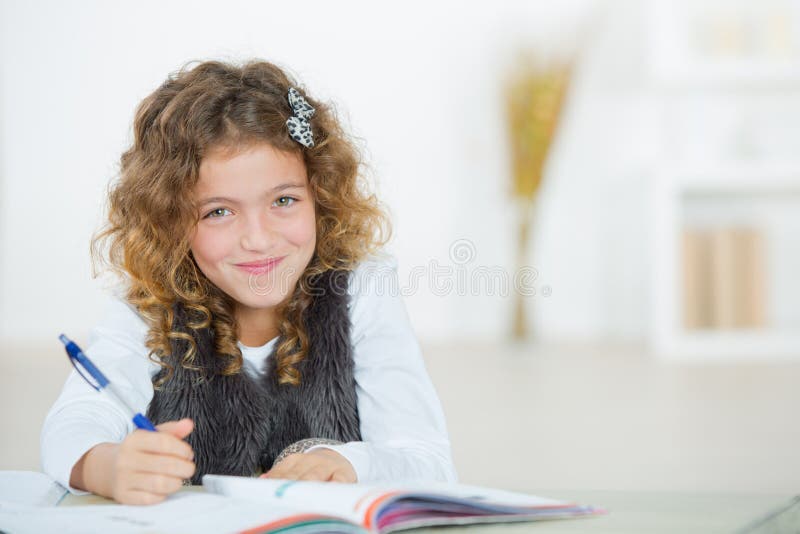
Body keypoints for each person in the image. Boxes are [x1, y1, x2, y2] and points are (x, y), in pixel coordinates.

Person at [40, 59, 457, 505]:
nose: (258, 240)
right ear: (170, 219)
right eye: (218, 211)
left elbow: (429, 462)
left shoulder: (361, 289)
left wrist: (355, 464)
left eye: (284, 200)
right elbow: (73, 423)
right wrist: (104, 465)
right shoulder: (149, 305)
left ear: (321, 195)